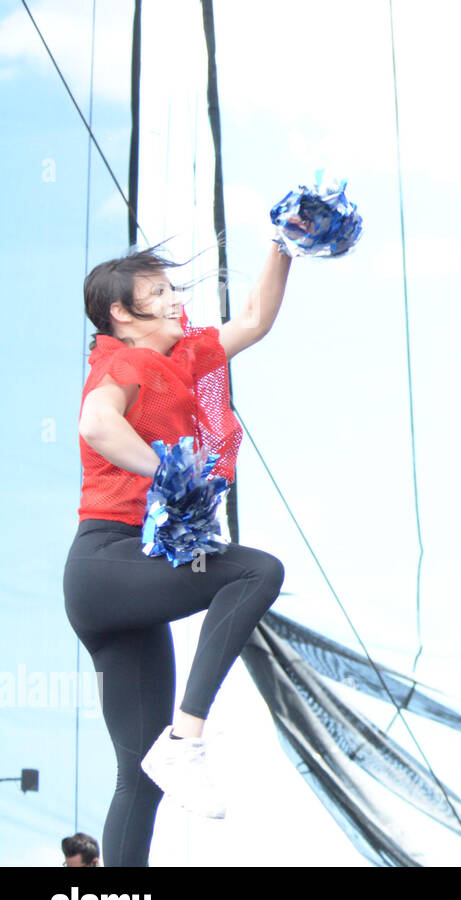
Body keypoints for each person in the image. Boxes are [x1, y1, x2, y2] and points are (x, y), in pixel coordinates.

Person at [63, 241, 292, 865]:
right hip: (107, 562)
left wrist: (284, 244)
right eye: (158, 294)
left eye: (172, 289)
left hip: (123, 589)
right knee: (254, 571)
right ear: (120, 314)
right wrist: (169, 468)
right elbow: (95, 424)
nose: (175, 300)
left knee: (138, 780)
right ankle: (187, 738)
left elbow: (253, 320)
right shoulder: (127, 362)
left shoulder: (182, 358)